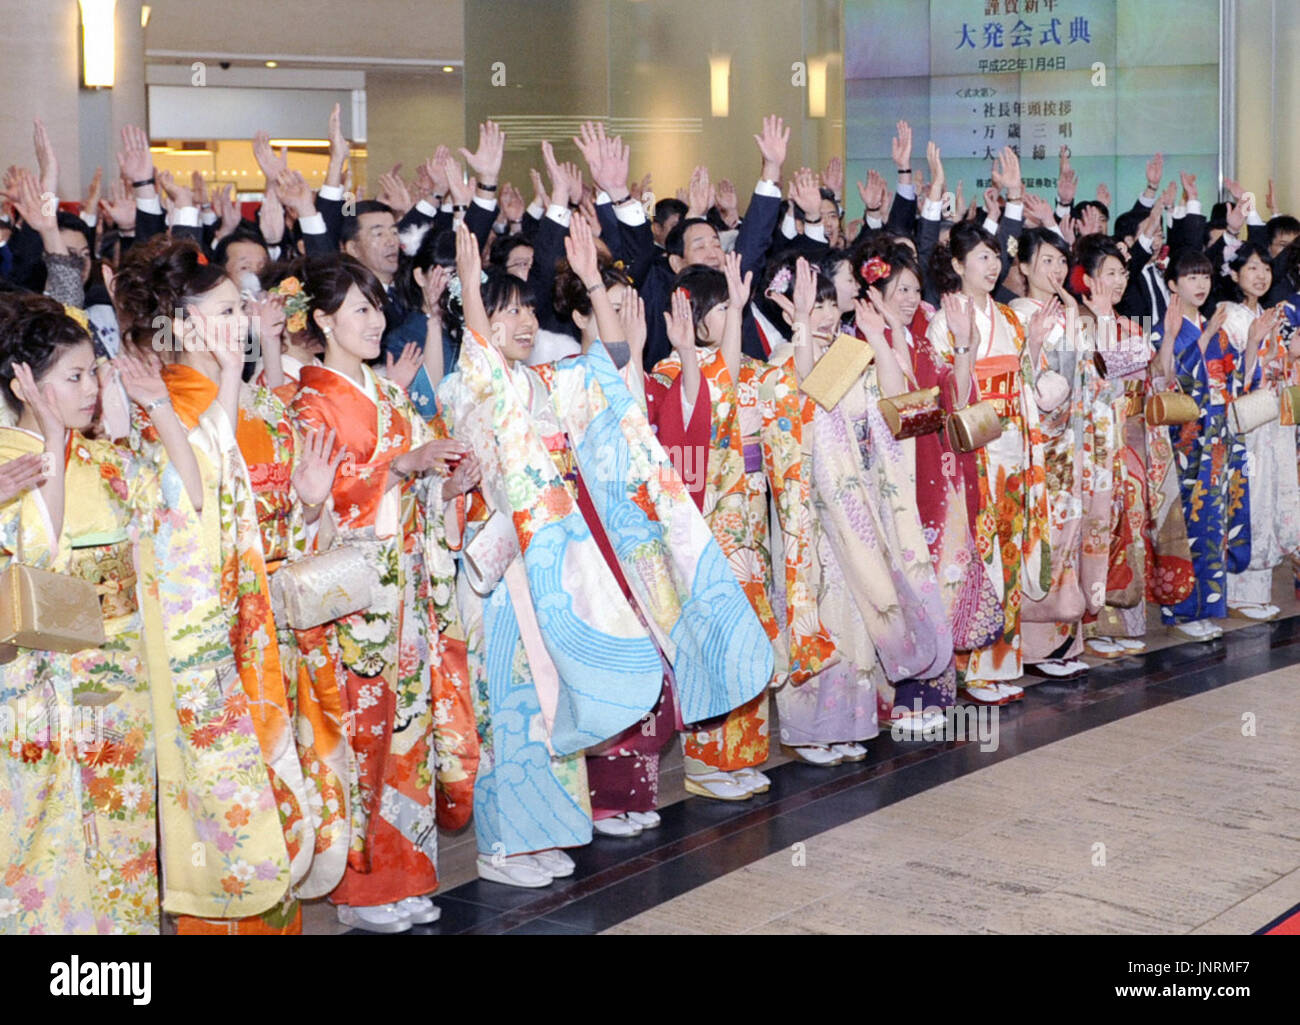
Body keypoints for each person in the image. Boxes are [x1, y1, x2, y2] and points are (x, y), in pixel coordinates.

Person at [437, 221, 770, 876]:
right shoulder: (467, 385)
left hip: (552, 563)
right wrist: (474, 288)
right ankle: (503, 844)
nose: (524, 323)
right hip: (502, 572)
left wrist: (593, 280)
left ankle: (543, 831)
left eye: (528, 309)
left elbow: (607, 370)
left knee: (555, 698)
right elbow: (482, 372)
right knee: (512, 705)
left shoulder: (544, 380)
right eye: (507, 314)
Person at [0, 293, 203, 934]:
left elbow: (185, 507)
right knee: (44, 842)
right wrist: (51, 433)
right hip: (37, 688)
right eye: (75, 376)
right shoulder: (11, 458)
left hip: (118, 685)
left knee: (122, 837)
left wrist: (162, 409)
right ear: (24, 382)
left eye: (94, 373)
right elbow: (44, 553)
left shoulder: (105, 458)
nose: (92, 389)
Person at [291, 254, 479, 932]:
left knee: (410, 735)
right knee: (362, 737)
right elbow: (311, 499)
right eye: (360, 309)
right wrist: (400, 465)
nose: (375, 321)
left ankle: (406, 873)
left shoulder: (391, 395)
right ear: (322, 319)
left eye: (377, 306)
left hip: (406, 593)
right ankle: (361, 888)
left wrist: (448, 479)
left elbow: (415, 481)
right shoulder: (309, 402)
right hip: (354, 601)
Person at [926, 222, 1054, 704]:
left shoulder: (1010, 317)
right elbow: (948, 396)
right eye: (981, 256)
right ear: (957, 265)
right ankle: (975, 667)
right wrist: (966, 348)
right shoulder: (946, 320)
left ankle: (1003, 663)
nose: (993, 264)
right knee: (982, 556)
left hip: (1012, 450)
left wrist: (1035, 344)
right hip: (974, 453)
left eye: (995, 255)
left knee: (1010, 551)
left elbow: (1025, 380)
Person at [1152, 248, 1262, 640]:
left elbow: (1236, 381)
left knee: (1213, 524)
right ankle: (1181, 611)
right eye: (1191, 278)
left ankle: (1207, 606)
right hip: (1187, 441)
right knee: (1187, 525)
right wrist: (1208, 336)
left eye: (1204, 277)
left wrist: (1250, 342)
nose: (1200, 285)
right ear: (1172, 285)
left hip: (1218, 437)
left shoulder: (1209, 323)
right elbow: (1166, 379)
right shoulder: (1169, 326)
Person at [1010, 228, 1090, 680]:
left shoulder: (1065, 311)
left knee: (1068, 538)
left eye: (1061, 261)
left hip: (1069, 439)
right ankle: (1036, 645)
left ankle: (1064, 639)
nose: (1056, 270)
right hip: (1040, 442)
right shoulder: (1017, 314)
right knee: (1043, 539)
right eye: (1045, 262)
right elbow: (1021, 377)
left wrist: (1076, 318)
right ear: (1022, 266)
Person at [1220, 244, 1295, 619]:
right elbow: (1228, 374)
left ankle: (1258, 589)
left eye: (1265, 268)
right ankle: (1238, 590)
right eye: (1251, 268)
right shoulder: (1227, 316)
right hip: (1245, 425)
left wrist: (1283, 359)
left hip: (1269, 421)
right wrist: (1256, 346)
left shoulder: (1267, 314)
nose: (1260, 275)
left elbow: (1273, 364)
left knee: (1267, 494)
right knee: (1247, 495)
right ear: (1234, 275)